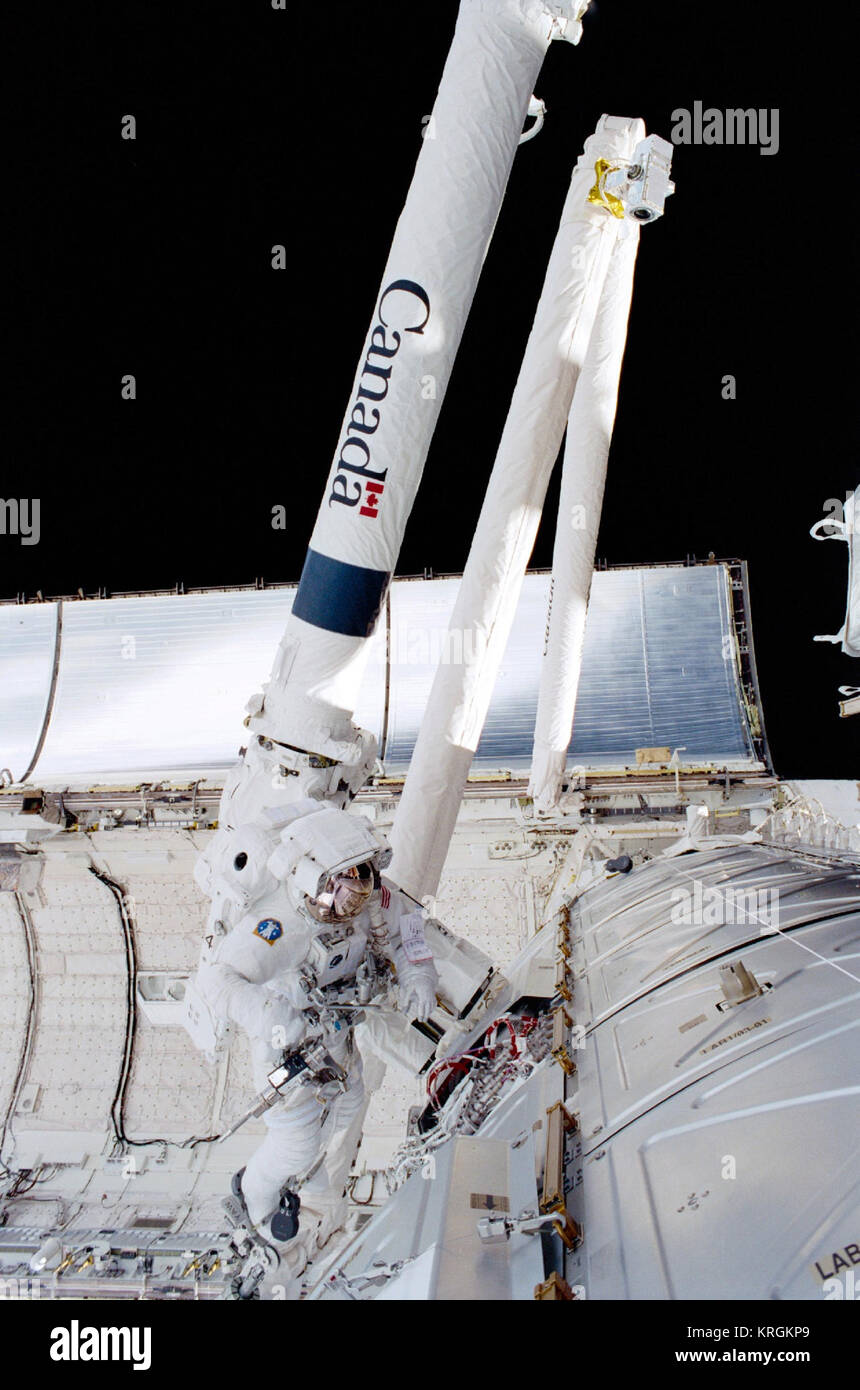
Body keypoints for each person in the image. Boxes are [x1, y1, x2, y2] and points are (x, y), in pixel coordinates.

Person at [194, 804, 438, 1270]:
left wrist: (419, 977)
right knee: (296, 1139)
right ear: (313, 880)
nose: (354, 903)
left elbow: (410, 934)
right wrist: (272, 1017)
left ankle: (299, 1181)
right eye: (344, 892)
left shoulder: (373, 896)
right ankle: (253, 1200)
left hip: (337, 1029)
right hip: (287, 1041)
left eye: (361, 885)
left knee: (348, 1105)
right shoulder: (277, 925)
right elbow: (216, 980)